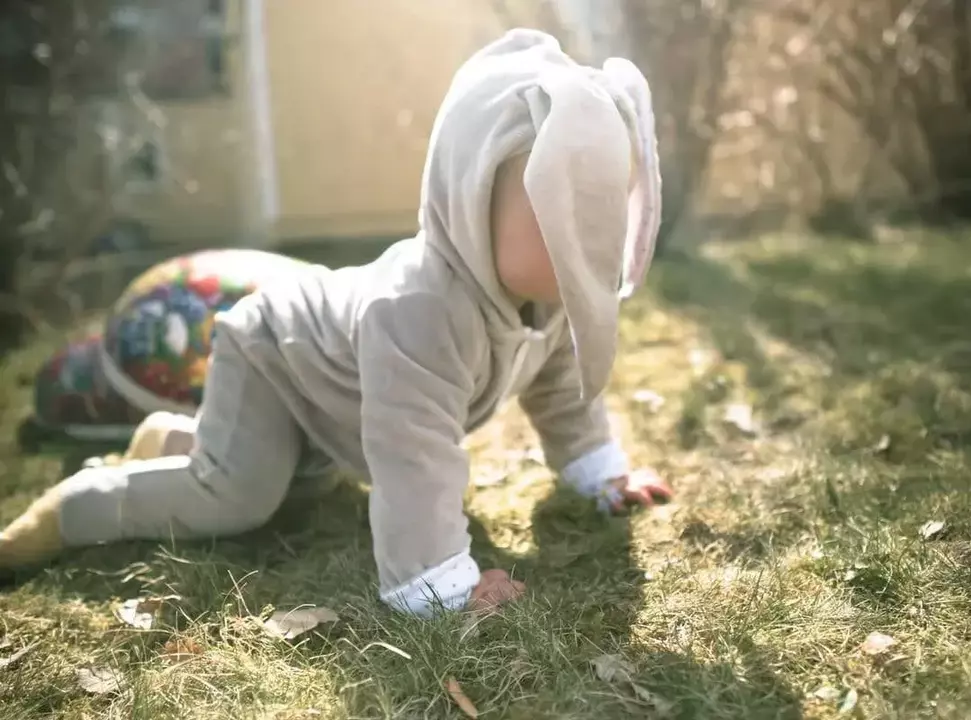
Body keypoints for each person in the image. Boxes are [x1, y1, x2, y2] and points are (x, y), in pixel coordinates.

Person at [0, 29, 671, 616]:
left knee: (308, 481)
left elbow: (561, 391)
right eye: (559, 210)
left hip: (336, 399)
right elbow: (415, 457)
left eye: (607, 212)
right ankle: (76, 509)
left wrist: (598, 471)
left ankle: (175, 441)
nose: (593, 238)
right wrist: (440, 583)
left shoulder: (547, 298)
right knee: (238, 498)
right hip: (275, 356)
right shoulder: (421, 311)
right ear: (471, 194)